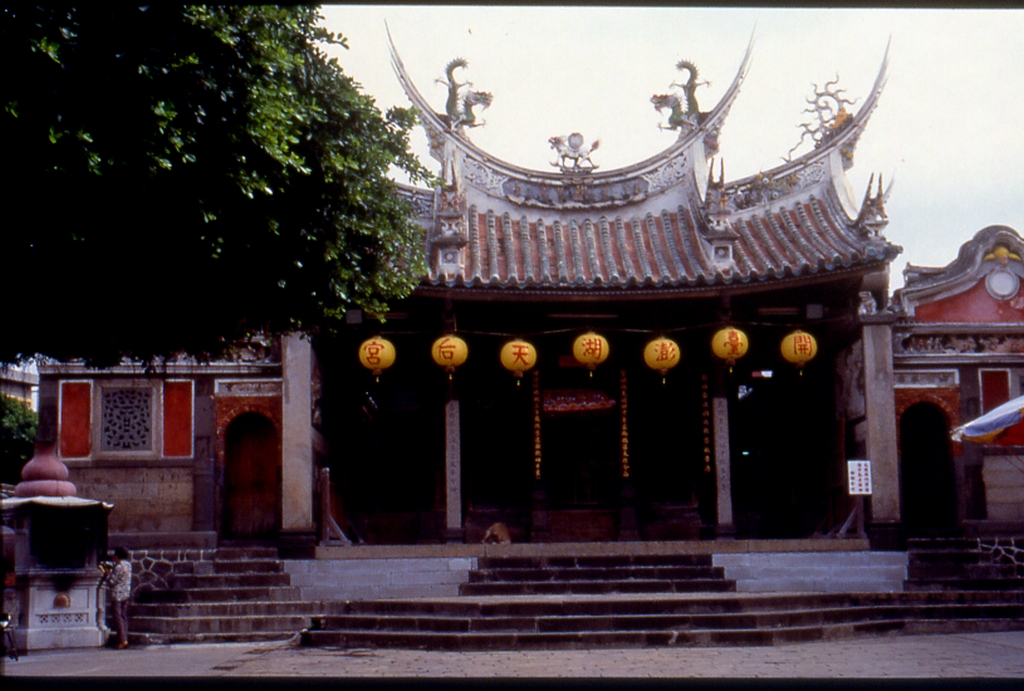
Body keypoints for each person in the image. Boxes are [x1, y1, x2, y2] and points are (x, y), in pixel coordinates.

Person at [100, 547, 132, 649]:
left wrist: (108, 574)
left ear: (117, 556)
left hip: (117, 595)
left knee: (118, 618)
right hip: (125, 593)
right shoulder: (128, 564)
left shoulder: (118, 567)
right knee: (123, 617)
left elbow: (112, 582)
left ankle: (122, 640)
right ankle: (125, 638)